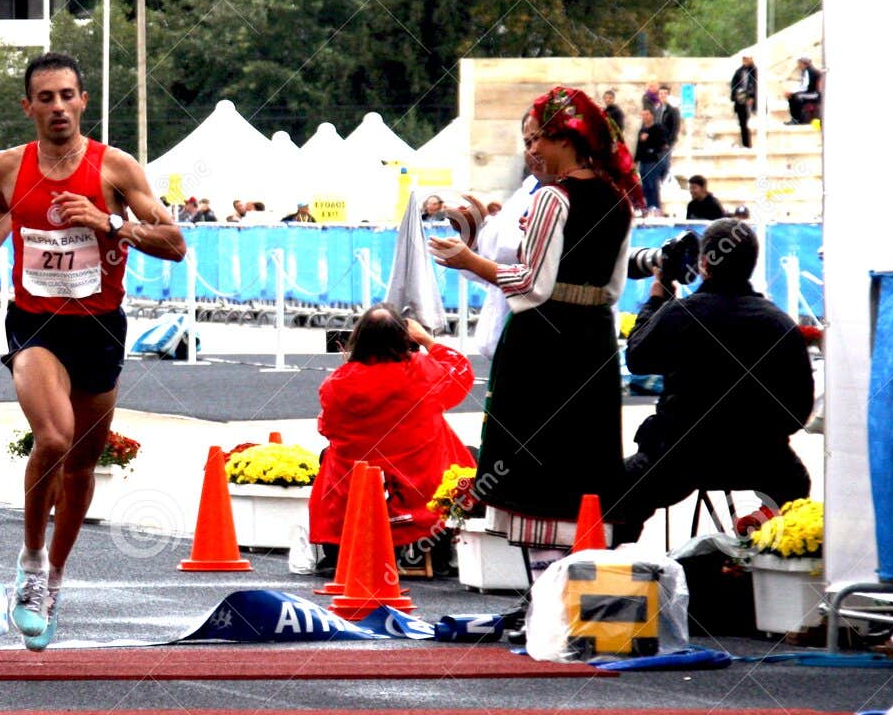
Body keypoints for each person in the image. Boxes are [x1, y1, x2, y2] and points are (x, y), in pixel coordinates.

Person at [0, 51, 185, 646]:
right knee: (54, 439)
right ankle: (30, 565)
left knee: (84, 463)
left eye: (68, 95)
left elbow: (175, 243)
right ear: (28, 106)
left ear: (83, 101)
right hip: (36, 324)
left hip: (100, 326)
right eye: (46, 98)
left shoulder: (115, 168)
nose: (58, 107)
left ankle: (55, 576)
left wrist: (108, 223)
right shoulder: (8, 165)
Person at [429, 86, 638, 553]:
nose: (531, 151)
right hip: (594, 342)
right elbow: (613, 287)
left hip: (543, 345)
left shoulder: (551, 199)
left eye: (536, 139)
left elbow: (530, 285)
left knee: (534, 469)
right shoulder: (617, 199)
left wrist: (470, 260)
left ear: (566, 138)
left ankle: (541, 592)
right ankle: (576, 584)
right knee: (584, 459)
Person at [609, 220, 814, 542]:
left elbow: (636, 359)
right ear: (751, 264)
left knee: (611, 497)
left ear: (704, 264)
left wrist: (657, 299)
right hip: (760, 459)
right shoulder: (779, 324)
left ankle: (614, 572)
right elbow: (798, 411)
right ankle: (754, 557)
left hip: (678, 459)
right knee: (796, 490)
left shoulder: (680, 314)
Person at [308, 305, 475, 574]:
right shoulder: (424, 370)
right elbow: (462, 373)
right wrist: (427, 340)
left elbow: (328, 428)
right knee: (458, 452)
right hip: (421, 495)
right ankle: (437, 548)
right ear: (404, 338)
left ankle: (336, 552)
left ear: (358, 338)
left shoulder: (337, 383)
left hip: (356, 494)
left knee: (330, 455)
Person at [634, 107, 670, 215]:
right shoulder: (642, 130)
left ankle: (656, 208)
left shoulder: (658, 128)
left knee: (652, 186)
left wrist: (649, 138)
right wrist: (635, 160)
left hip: (653, 161)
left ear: (652, 115)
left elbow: (663, 145)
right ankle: (648, 208)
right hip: (643, 162)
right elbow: (639, 146)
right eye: (643, 115)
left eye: (647, 114)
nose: (645, 117)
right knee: (645, 187)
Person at [729, 56, 758, 148]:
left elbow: (756, 86)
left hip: (752, 101)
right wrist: (738, 97)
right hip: (741, 101)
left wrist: (752, 97)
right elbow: (734, 86)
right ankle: (746, 144)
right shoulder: (739, 72)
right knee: (743, 123)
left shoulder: (755, 71)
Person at [787, 57, 822, 124]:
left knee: (796, 97)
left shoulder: (809, 71)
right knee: (794, 96)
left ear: (803, 63)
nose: (798, 65)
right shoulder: (807, 71)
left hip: (813, 94)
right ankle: (796, 119)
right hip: (810, 93)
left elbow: (805, 86)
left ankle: (797, 120)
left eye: (799, 63)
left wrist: (792, 92)